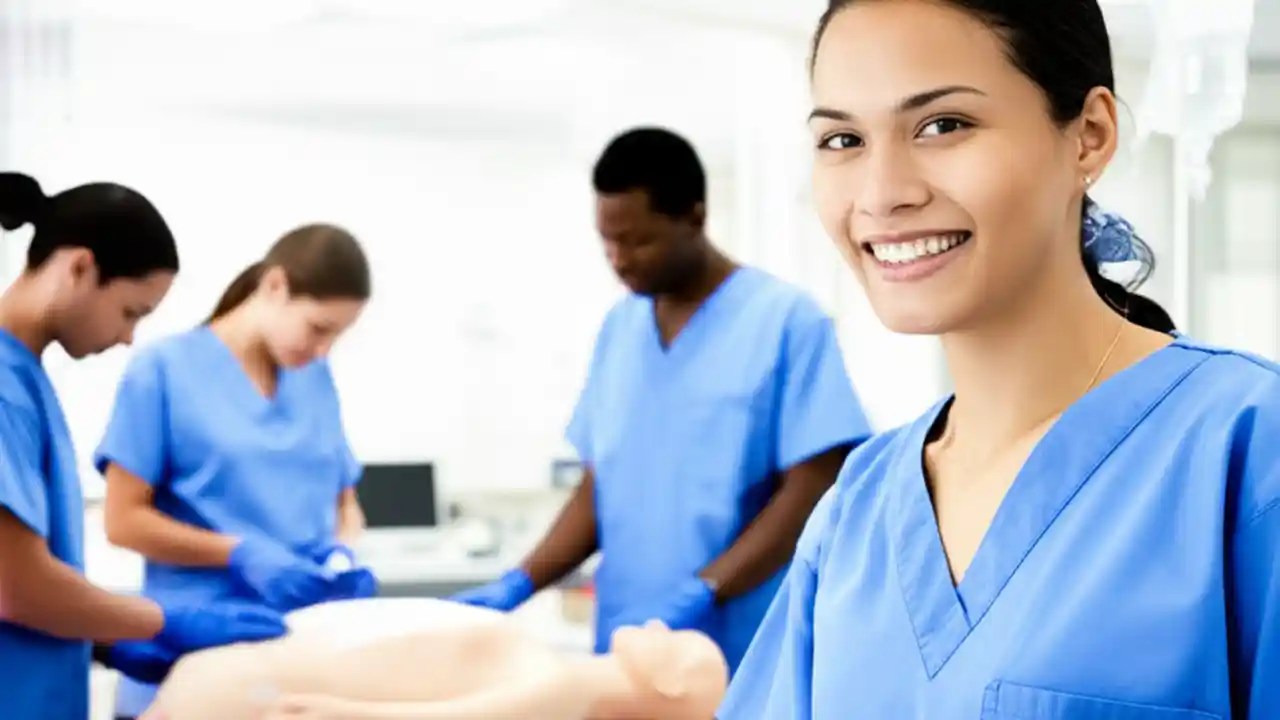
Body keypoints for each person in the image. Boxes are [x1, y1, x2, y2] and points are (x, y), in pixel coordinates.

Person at [718, 1, 1279, 718]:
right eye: (841, 140)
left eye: (943, 125)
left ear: (1091, 135)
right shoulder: (857, 510)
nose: (883, 193)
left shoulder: (1246, 452)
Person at [452, 128, 873, 674]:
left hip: (736, 644)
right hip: (627, 643)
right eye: (607, 241)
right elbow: (599, 487)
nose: (619, 260)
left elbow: (814, 484)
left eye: (637, 241)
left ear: (694, 217)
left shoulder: (785, 322)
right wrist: (520, 581)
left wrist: (709, 589)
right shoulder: (619, 330)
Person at [0, 172, 289, 720]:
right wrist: (160, 620)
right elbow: (16, 585)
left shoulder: (27, 380)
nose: (129, 336)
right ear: (79, 267)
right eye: (131, 311)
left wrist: (107, 641)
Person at [96, 223, 378, 719]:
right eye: (318, 328)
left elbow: (343, 499)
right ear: (275, 286)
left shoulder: (313, 376)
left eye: (338, 336)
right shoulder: (164, 370)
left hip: (301, 664)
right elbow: (122, 522)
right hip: (192, 667)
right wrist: (238, 553)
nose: (324, 350)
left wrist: (343, 553)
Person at [135, 597, 728, 720]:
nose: (655, 624)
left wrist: (343, 715)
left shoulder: (564, 687)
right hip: (235, 679)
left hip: (250, 694)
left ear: (671, 687)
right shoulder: (551, 663)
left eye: (672, 642)